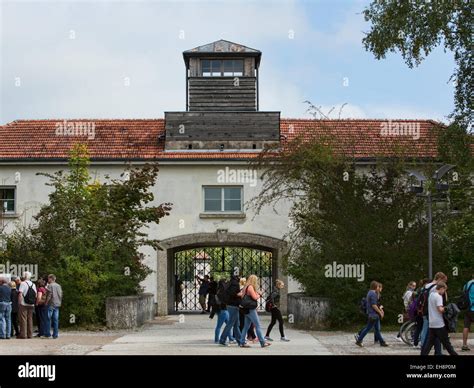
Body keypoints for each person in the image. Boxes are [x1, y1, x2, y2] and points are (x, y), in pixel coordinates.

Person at [421, 282, 458, 356]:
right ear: (441, 288)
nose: (444, 292)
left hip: (432, 323)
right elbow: (440, 309)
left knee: (429, 343)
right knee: (447, 343)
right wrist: (447, 308)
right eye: (444, 290)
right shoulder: (438, 297)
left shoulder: (431, 295)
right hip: (439, 324)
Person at [238, 275, 271, 348]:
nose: (257, 282)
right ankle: (262, 342)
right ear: (253, 280)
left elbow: (242, 296)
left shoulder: (245, 287)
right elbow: (255, 297)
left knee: (246, 326)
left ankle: (242, 342)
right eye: (256, 280)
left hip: (246, 309)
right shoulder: (250, 287)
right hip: (251, 309)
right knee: (258, 325)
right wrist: (259, 294)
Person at [420, 272, 447, 355]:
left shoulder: (427, 286)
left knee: (433, 334)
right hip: (433, 314)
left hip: (425, 312)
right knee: (430, 334)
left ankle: (438, 352)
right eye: (443, 281)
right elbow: (437, 303)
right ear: (439, 279)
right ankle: (427, 351)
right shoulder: (435, 288)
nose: (443, 284)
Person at [355, 281, 388, 347]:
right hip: (374, 314)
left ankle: (382, 342)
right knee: (368, 328)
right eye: (378, 286)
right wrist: (380, 312)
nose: (379, 288)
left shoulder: (370, 292)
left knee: (377, 329)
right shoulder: (373, 294)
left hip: (373, 314)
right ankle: (359, 340)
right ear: (375, 287)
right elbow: (374, 305)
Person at [219, 275, 242, 346]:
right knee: (231, 323)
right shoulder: (235, 284)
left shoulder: (231, 283)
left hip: (231, 305)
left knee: (236, 324)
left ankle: (240, 340)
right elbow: (233, 294)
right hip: (233, 305)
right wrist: (239, 294)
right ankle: (222, 339)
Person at [212, 279, 235, 344]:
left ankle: (230, 338)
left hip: (222, 310)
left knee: (228, 325)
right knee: (220, 326)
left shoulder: (218, 291)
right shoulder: (224, 291)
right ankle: (217, 339)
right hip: (224, 310)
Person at [18, 271, 36, 339]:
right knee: (30, 319)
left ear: (24, 276)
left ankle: (23, 335)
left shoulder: (22, 283)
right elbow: (35, 295)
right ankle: (30, 334)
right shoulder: (33, 284)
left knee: (23, 319)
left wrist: (19, 303)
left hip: (24, 303)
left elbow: (20, 294)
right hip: (31, 304)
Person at [412, 278, 430, 348]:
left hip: (417, 311)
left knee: (418, 327)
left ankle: (416, 343)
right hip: (421, 312)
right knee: (421, 328)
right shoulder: (424, 290)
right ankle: (419, 343)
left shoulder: (419, 290)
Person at [45, 274, 62, 339]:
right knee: (56, 319)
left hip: (51, 304)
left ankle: (48, 334)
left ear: (51, 279)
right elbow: (61, 294)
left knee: (48, 319)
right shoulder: (58, 285)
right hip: (57, 304)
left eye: (48, 278)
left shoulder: (50, 286)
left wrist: (46, 302)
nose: (48, 280)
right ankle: (55, 334)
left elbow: (49, 295)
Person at [462, 274, 474, 351]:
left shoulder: (467, 284)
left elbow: (464, 294)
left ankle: (464, 344)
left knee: (466, 326)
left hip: (467, 308)